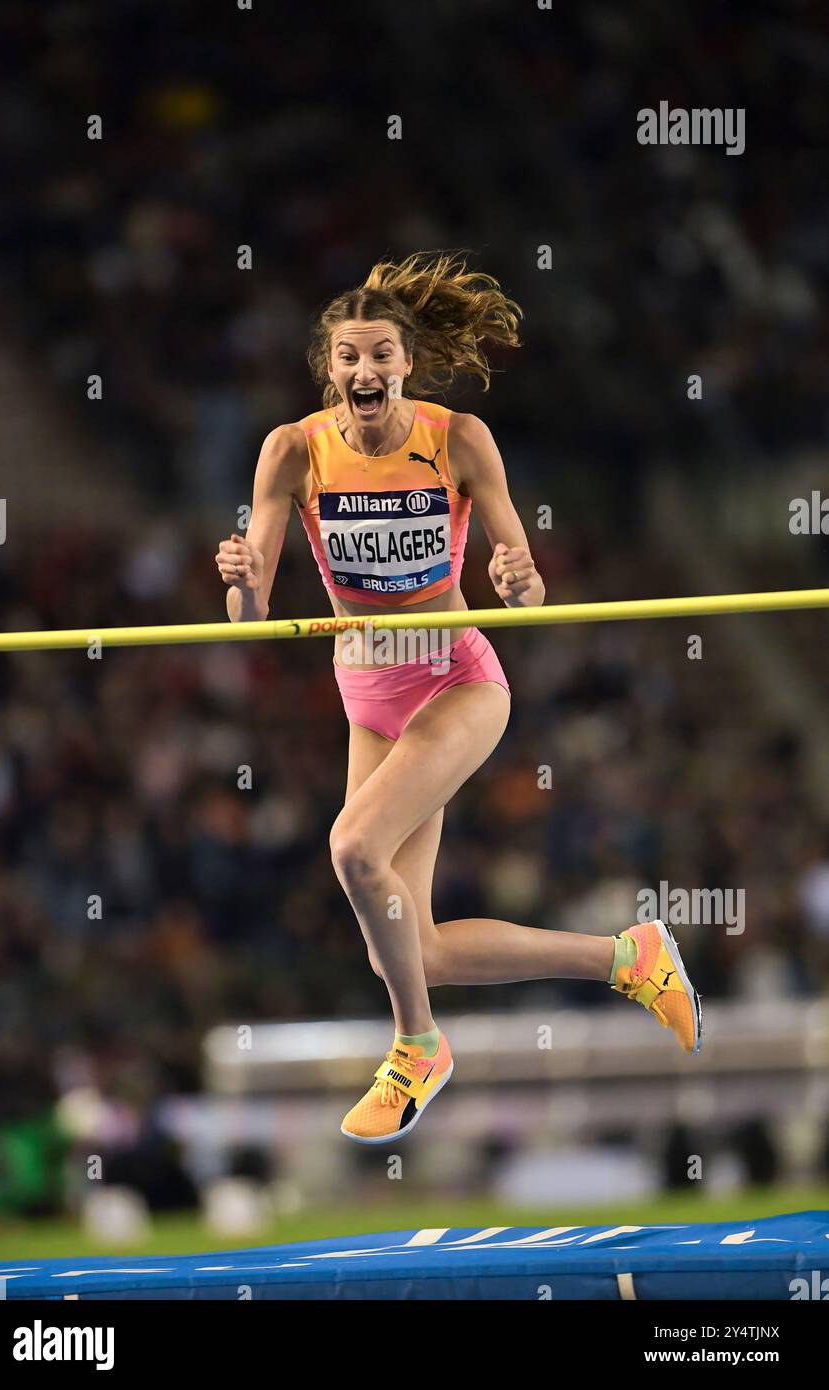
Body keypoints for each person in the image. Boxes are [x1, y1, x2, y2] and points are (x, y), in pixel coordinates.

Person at [215, 252, 701, 1144]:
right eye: (350, 358)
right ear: (331, 369)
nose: (367, 372)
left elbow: (526, 592)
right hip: (367, 692)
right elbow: (252, 612)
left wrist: (519, 578)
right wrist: (242, 579)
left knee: (353, 847)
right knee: (410, 943)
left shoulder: (457, 439)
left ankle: (417, 1047)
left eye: (383, 356)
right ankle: (626, 958)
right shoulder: (292, 451)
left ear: (408, 363)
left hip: (455, 677)